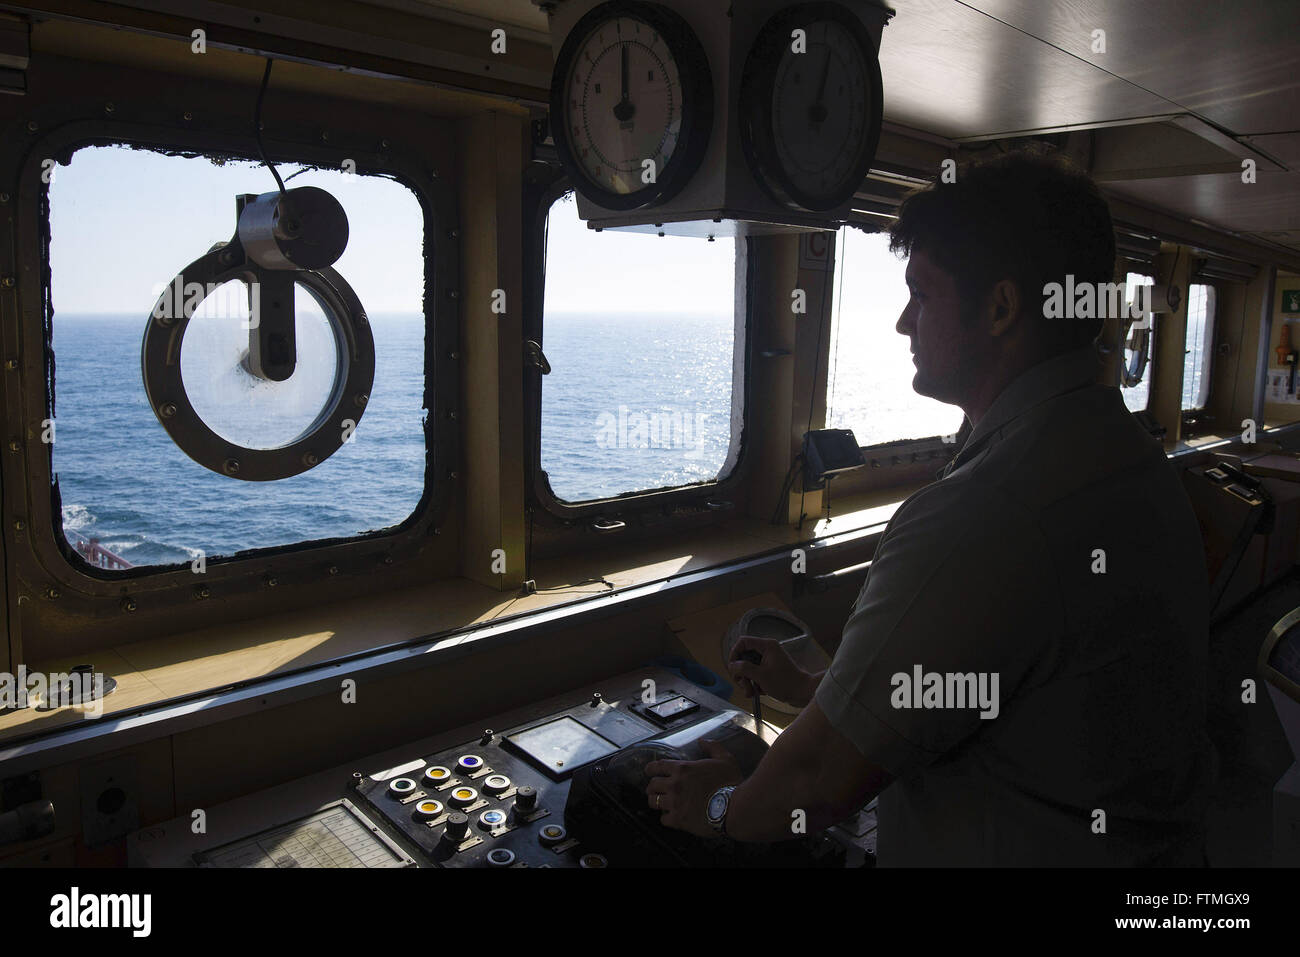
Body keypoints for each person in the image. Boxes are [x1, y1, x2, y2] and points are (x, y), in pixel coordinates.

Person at [644, 148, 1216, 866]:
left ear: (1002, 307)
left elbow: (816, 782)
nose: (903, 322)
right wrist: (818, 687)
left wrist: (719, 806)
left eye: (923, 291)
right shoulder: (1124, 452)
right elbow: (986, 678)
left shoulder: (989, 509)